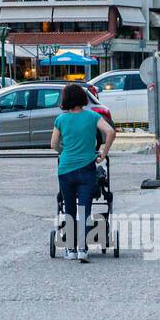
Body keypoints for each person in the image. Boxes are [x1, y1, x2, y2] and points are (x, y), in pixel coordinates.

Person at [51, 83, 116, 263]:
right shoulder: (93, 116)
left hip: (65, 170)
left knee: (69, 209)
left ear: (65, 100)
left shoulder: (61, 120)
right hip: (87, 170)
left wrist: (64, 152)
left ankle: (70, 250)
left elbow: (53, 145)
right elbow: (110, 131)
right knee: (85, 209)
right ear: (82, 99)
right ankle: (83, 249)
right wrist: (103, 153)